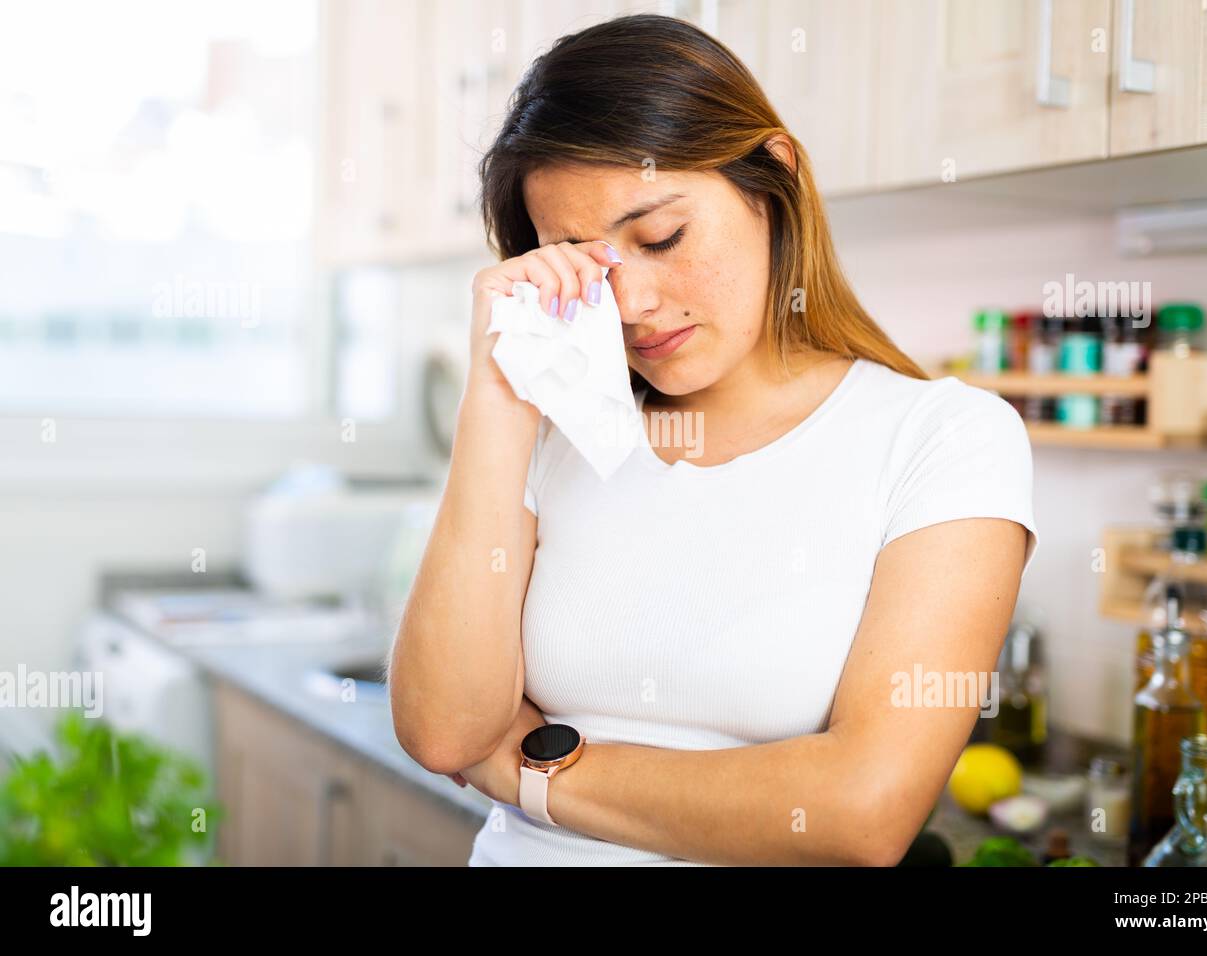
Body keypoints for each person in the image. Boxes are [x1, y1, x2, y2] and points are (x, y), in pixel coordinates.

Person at [388, 13, 1038, 866]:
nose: (631, 304)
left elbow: (861, 812)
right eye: (581, 262)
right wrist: (500, 397)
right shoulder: (555, 436)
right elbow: (443, 731)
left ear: (774, 175)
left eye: (660, 238)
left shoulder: (943, 439)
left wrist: (536, 772)